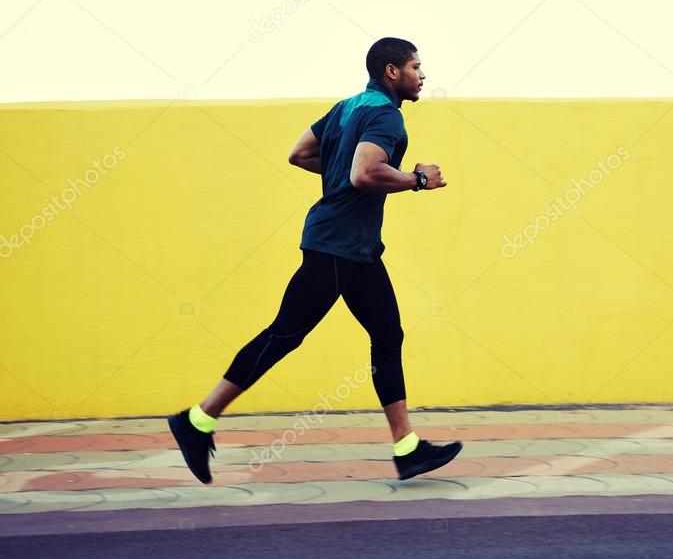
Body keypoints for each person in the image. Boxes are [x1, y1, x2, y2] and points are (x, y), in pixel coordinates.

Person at [168, 37, 462, 484]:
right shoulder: (386, 116)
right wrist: (417, 179)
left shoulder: (345, 108)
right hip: (337, 248)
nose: (423, 75)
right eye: (416, 67)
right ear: (391, 71)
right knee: (284, 335)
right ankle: (198, 419)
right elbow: (364, 173)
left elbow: (300, 153)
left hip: (354, 249)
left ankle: (407, 448)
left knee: (387, 334)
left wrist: (341, 175)